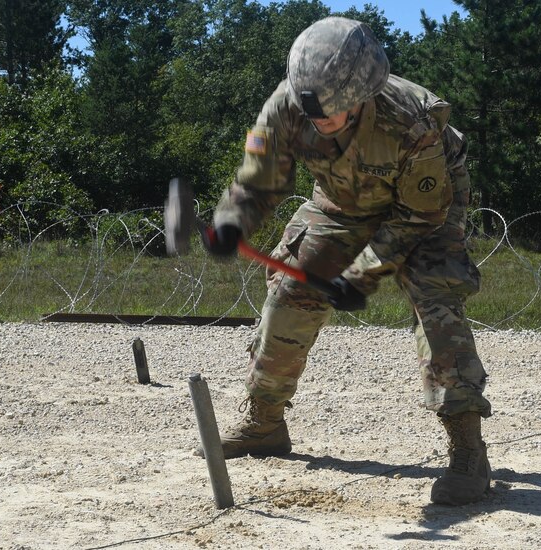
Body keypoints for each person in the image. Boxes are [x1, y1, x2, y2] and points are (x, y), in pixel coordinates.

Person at [210, 16, 492, 505]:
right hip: (340, 201)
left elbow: (417, 217)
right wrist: (232, 221)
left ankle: (468, 450)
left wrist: (362, 274)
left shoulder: (412, 122)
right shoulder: (286, 105)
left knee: (435, 299)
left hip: (425, 209)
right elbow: (258, 176)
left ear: (362, 93)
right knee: (293, 290)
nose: (318, 120)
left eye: (331, 111)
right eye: (311, 110)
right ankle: (264, 422)